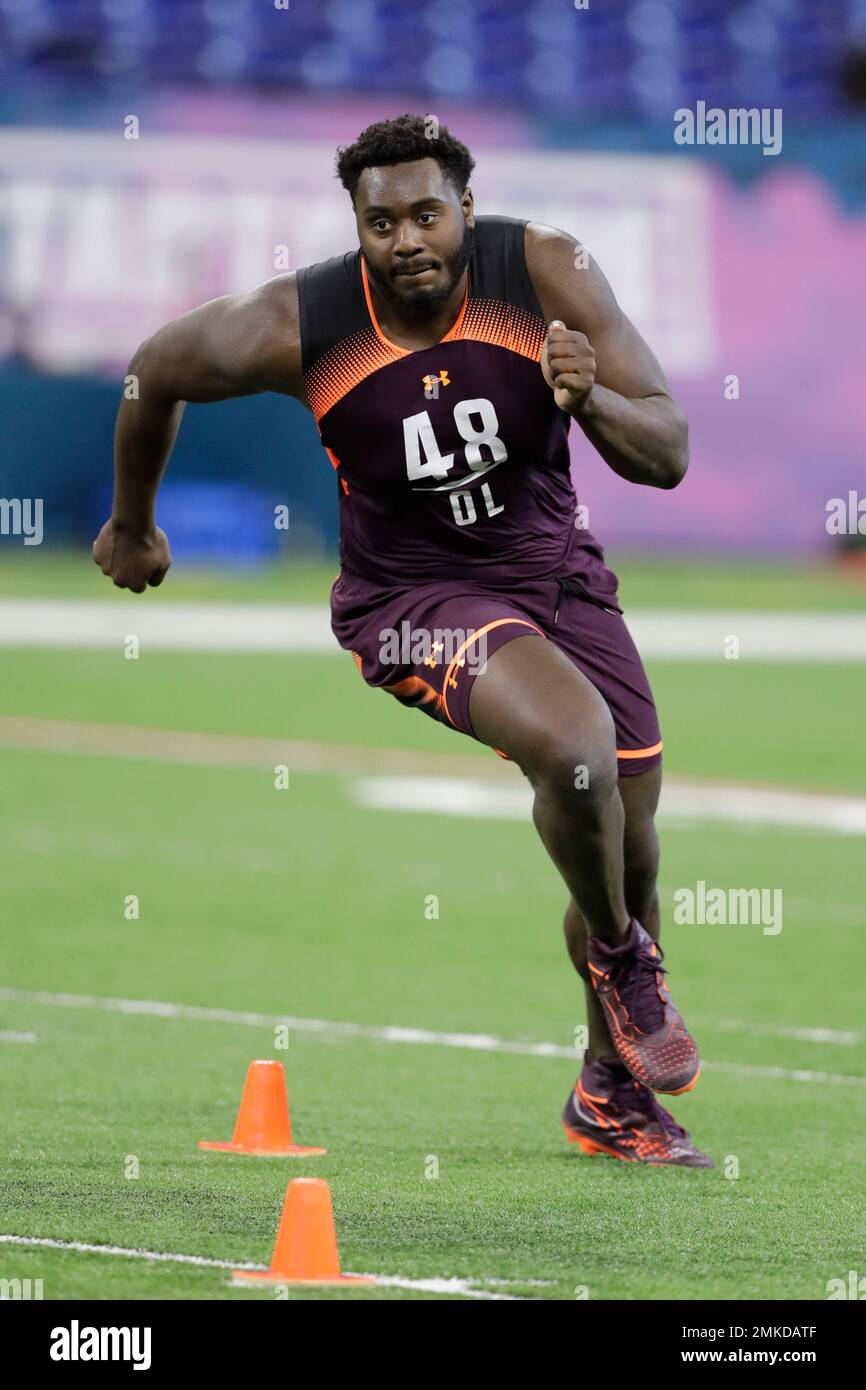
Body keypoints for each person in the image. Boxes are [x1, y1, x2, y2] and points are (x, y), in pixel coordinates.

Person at [94, 113, 710, 1168]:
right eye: (381, 222)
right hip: (411, 598)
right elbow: (156, 366)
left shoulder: (544, 273)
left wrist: (587, 395)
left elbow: (665, 452)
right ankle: (619, 956)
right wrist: (131, 521)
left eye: (427, 213)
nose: (407, 239)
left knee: (625, 843)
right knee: (572, 751)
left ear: (466, 209)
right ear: (356, 228)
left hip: (555, 578)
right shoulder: (308, 322)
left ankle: (607, 1089)